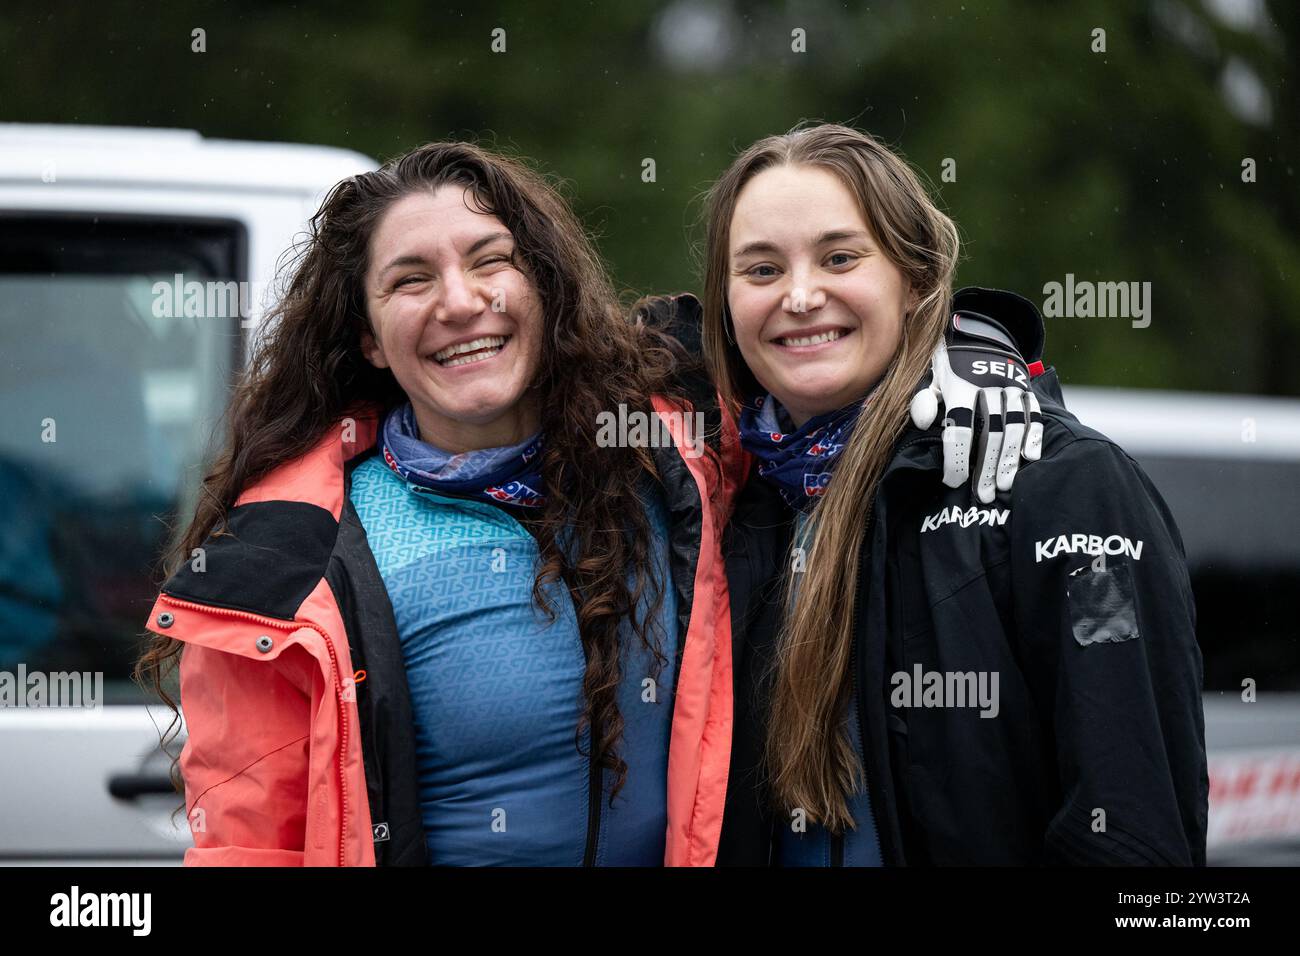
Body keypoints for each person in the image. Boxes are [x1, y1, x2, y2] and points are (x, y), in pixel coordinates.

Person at [134, 141, 744, 866]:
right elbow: (250, 843)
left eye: (491, 261)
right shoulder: (290, 561)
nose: (460, 302)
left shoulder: (680, 456)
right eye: (411, 280)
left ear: (545, 287)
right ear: (370, 339)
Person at [704, 123, 1208, 865]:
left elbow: (1134, 828)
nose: (801, 296)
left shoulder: (1063, 482)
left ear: (914, 280)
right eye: (760, 270)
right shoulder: (731, 500)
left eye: (840, 257)